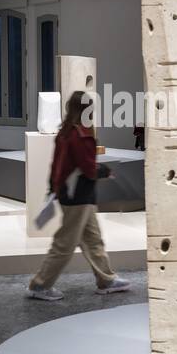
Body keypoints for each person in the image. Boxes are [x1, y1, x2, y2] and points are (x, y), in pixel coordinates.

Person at [27, 91, 131, 301]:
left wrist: (53, 188)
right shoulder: (82, 135)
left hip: (73, 194)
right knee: (64, 244)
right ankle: (40, 285)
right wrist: (105, 171)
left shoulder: (65, 132)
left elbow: (56, 164)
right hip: (79, 197)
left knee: (93, 240)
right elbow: (88, 168)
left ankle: (106, 280)